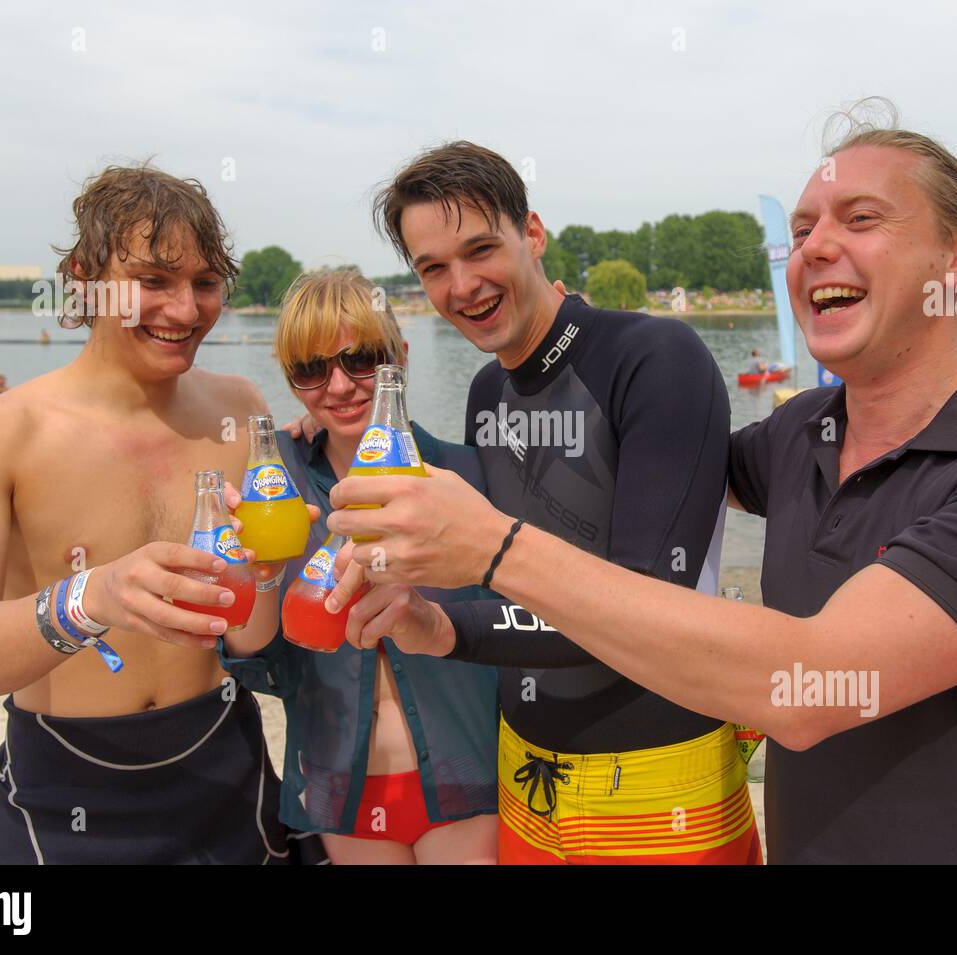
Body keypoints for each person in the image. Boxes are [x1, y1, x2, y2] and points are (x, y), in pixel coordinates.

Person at [324, 116, 957, 864]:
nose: (816, 245)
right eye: (801, 230)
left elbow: (814, 682)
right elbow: (638, 471)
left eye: (860, 219)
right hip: (553, 785)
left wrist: (491, 552)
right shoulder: (798, 439)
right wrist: (329, 433)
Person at [315, 141, 761, 865]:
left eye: (481, 249)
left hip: (659, 787)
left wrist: (447, 627)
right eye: (433, 268)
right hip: (526, 787)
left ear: (533, 233)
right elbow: (500, 569)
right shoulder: (486, 391)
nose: (462, 286)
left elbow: (647, 605)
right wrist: (324, 431)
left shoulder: (657, 358)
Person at [0, 163, 313, 864]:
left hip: (225, 769)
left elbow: (246, 637)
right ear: (83, 275)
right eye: (153, 281)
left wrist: (269, 572)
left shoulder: (240, 408)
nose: (185, 312)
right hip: (61, 787)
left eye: (206, 283)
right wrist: (91, 596)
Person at [220, 270, 499, 864]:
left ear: (400, 355)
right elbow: (254, 656)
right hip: (340, 786)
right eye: (311, 370)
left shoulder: (467, 476)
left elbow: (519, 629)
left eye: (362, 359)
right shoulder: (276, 482)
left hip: (466, 777)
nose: (340, 386)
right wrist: (263, 573)